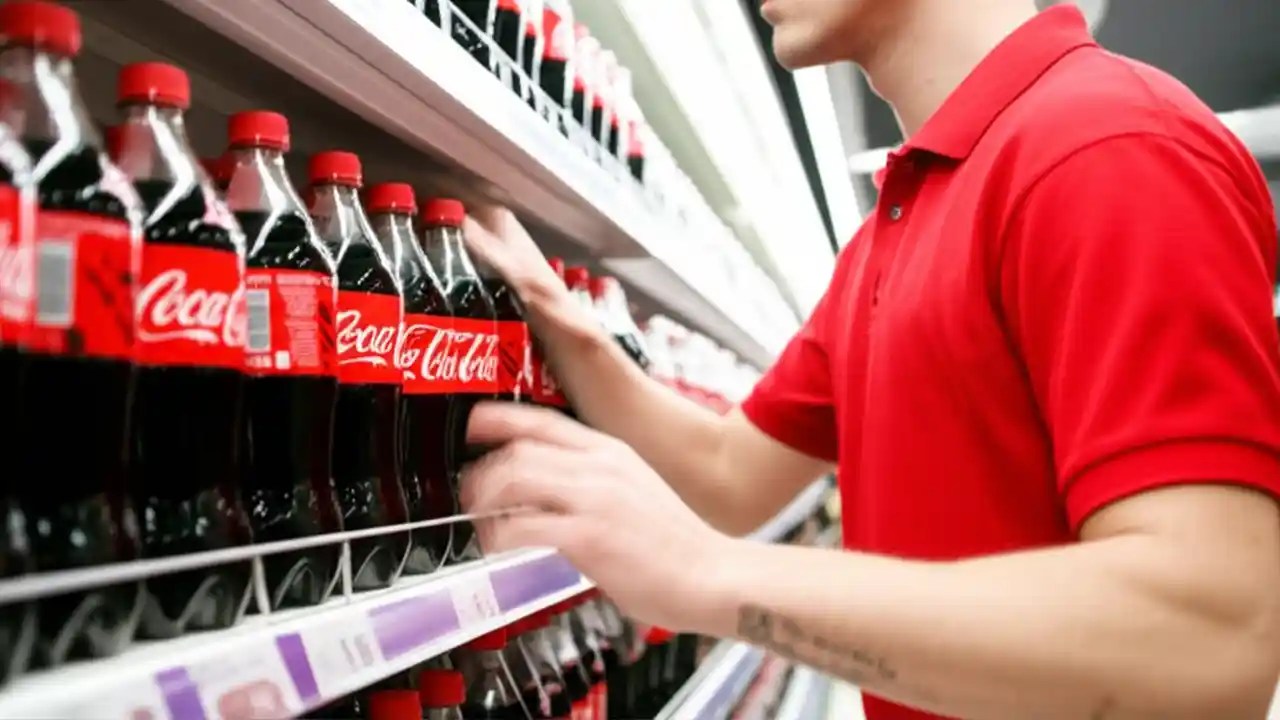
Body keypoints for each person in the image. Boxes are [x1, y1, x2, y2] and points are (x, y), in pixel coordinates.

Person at [459, 1, 1280, 718]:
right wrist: (567, 324)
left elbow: (1210, 642)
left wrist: (708, 576)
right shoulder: (895, 229)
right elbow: (726, 475)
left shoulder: (1106, 144)